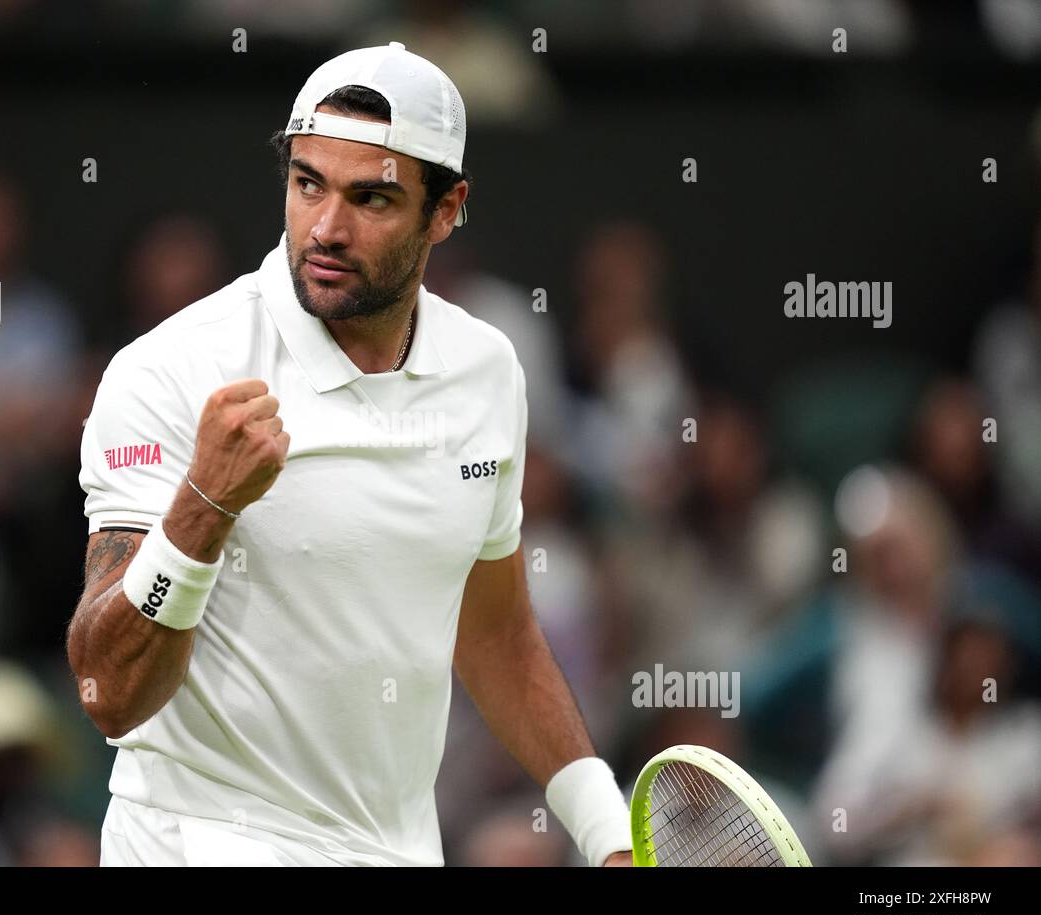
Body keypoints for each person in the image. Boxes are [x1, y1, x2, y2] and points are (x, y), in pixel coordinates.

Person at [68, 42, 633, 867]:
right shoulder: (169, 370)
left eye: (372, 198)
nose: (326, 229)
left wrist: (608, 834)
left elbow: (496, 634)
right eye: (307, 185)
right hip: (198, 845)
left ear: (446, 212)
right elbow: (107, 696)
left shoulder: (486, 370)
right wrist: (203, 506)